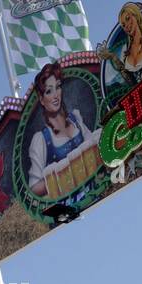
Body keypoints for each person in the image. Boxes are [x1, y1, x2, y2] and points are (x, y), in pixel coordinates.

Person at [26, 63, 99, 197]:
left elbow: (92, 144)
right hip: (70, 201)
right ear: (42, 99)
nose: (55, 95)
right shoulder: (41, 139)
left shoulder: (76, 119)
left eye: (58, 87)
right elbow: (34, 187)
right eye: (49, 91)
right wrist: (60, 177)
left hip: (97, 187)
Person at [97, 4, 142, 88]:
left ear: (136, 16)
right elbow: (132, 83)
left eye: (128, 18)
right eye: (123, 25)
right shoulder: (125, 50)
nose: (127, 26)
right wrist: (113, 57)